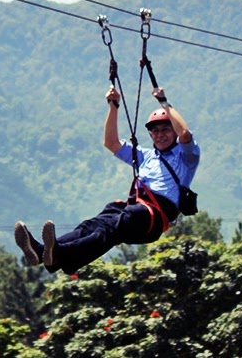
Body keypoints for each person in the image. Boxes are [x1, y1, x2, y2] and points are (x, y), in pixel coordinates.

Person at [14, 84, 200, 274]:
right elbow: (111, 143)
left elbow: (185, 134)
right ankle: (43, 252)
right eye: (155, 131)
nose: (160, 135)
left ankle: (61, 254)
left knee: (116, 223)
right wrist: (113, 107)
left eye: (165, 130)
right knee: (97, 222)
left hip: (155, 217)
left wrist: (164, 102)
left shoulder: (186, 157)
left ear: (173, 131)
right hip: (136, 209)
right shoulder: (145, 156)